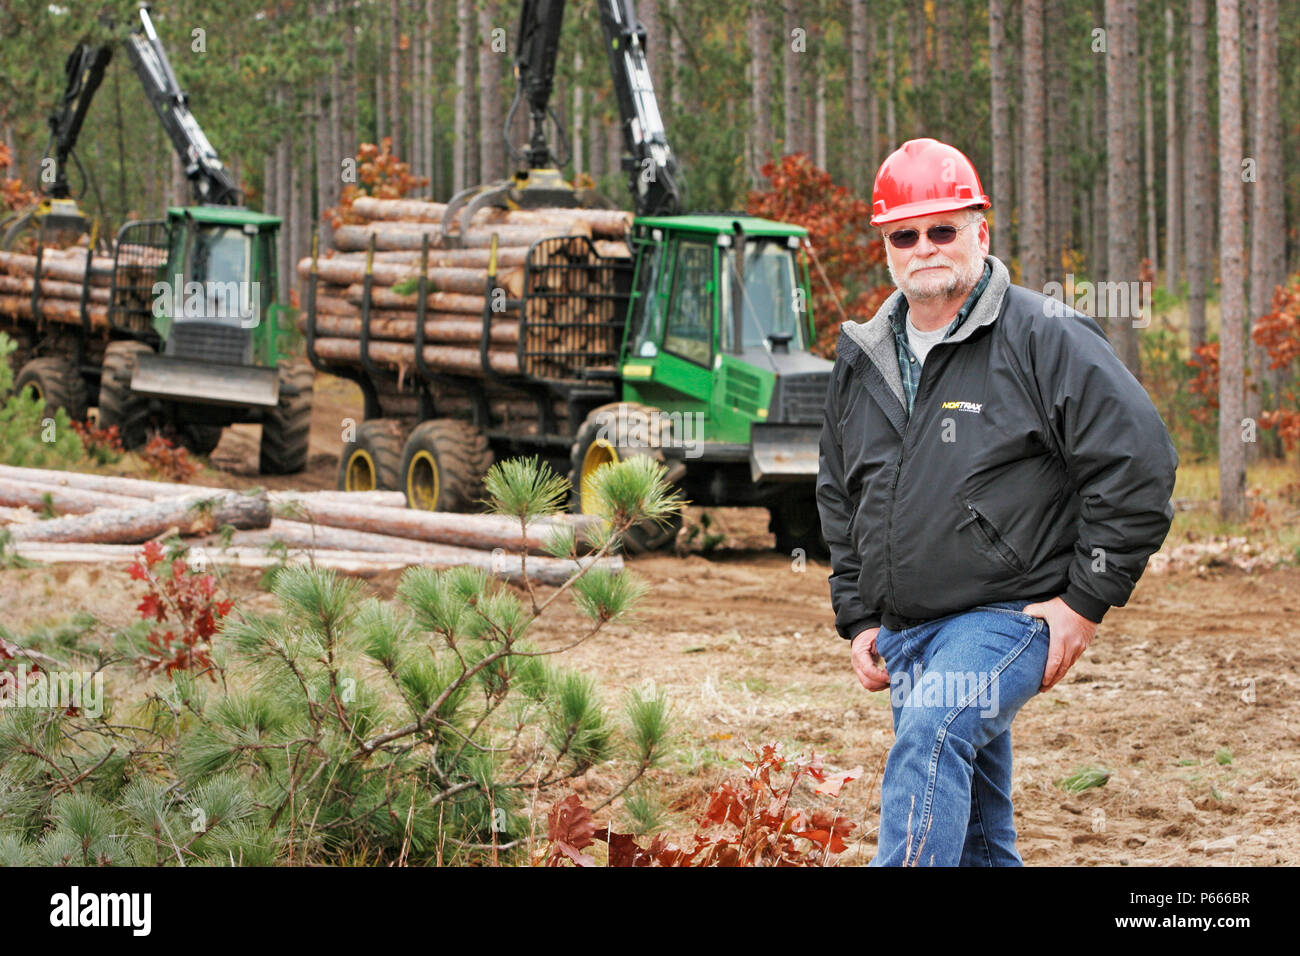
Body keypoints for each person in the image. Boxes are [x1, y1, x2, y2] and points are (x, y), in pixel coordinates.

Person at [815, 137, 1178, 866]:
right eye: (906, 234)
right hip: (906, 631)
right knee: (979, 834)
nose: (926, 247)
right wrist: (857, 615)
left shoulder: (1044, 335)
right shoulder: (861, 358)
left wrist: (1082, 603)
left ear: (980, 227)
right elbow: (838, 492)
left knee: (934, 735)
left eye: (943, 228)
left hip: (1005, 615)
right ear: (885, 246)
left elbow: (1140, 461)